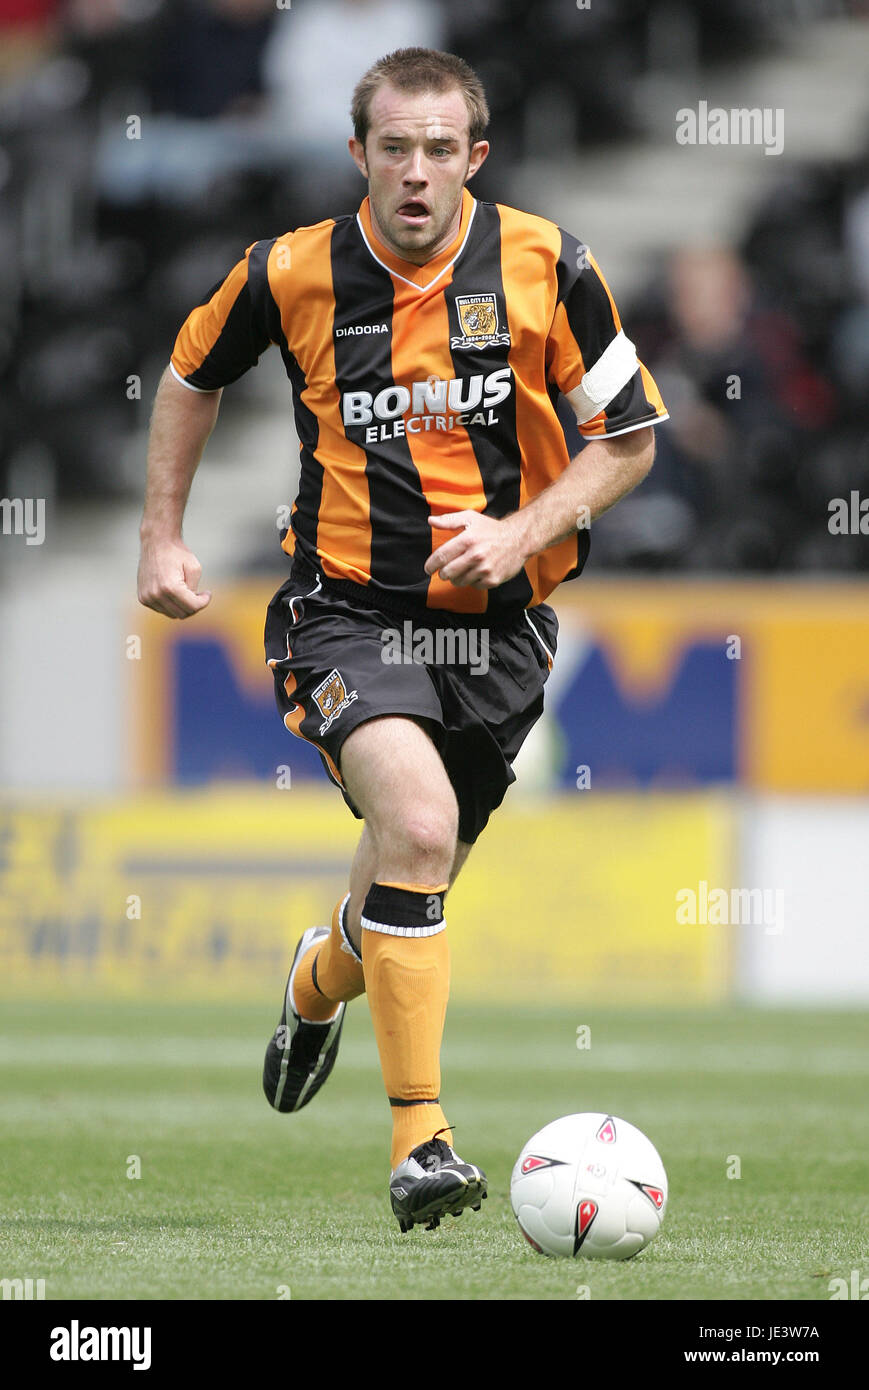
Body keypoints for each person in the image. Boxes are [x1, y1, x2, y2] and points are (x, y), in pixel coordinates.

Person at [137, 46, 668, 1234]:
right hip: (344, 611)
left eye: (440, 150)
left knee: (405, 881)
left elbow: (628, 437)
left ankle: (316, 975)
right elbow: (186, 373)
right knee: (417, 827)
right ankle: (418, 1139)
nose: (416, 172)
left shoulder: (549, 263)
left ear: (474, 157)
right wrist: (160, 535)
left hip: (498, 636)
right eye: (393, 148)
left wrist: (524, 526)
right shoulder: (287, 271)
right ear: (357, 155)